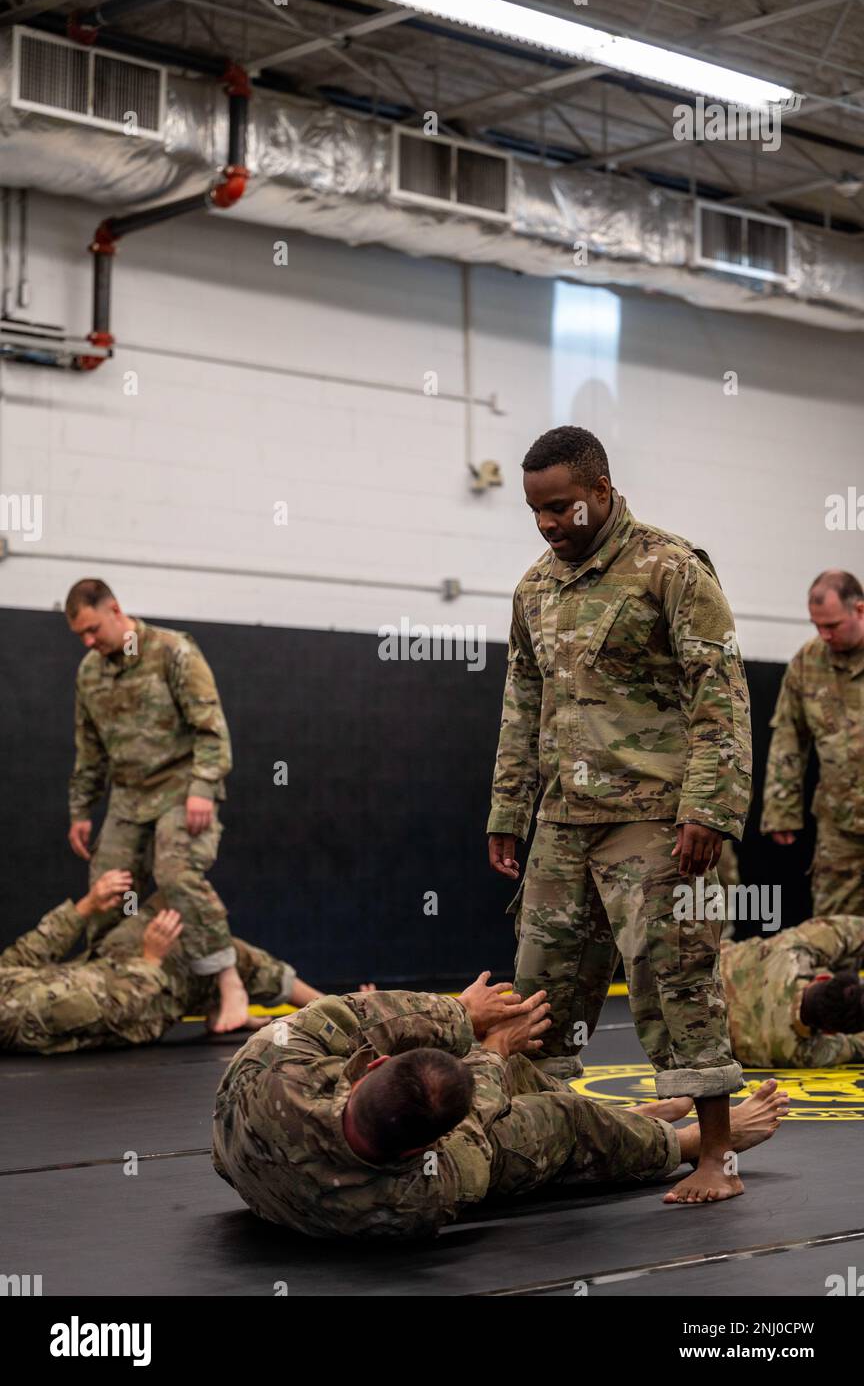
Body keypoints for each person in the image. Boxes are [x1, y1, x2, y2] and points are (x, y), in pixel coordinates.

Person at [487, 426, 752, 1203]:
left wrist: (708, 807)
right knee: (540, 988)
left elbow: (721, 696)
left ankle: (715, 1157)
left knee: (675, 977)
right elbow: (521, 703)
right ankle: (550, 1141)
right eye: (535, 511)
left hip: (655, 813)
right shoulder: (534, 588)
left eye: (561, 507)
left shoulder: (671, 568)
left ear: (601, 491)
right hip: (565, 819)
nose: (547, 524)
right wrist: (508, 806)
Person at [212, 976, 789, 1237]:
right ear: (423, 1152)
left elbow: (347, 1016)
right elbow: (475, 1133)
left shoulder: (268, 1068)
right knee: (551, 1125)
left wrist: (461, 1014)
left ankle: (626, 1123)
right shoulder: (421, 1197)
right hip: (336, 1194)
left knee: (480, 1072)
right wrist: (488, 1046)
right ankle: (683, 1143)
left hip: (254, 1162)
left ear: (367, 1068)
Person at [65, 578, 247, 1033]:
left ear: (115, 610)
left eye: (92, 629)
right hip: (129, 797)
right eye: (80, 636)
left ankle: (229, 982)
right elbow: (90, 751)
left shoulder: (172, 651)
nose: (89, 642)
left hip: (180, 788)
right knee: (108, 889)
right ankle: (114, 986)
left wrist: (203, 787)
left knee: (175, 872)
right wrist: (81, 811)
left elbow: (211, 727)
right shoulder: (90, 672)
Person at [0, 870, 314, 1054]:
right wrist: (151, 960)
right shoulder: (24, 1013)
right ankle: (330, 1006)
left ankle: (220, 996)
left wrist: (86, 906)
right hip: (144, 1000)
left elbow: (23, 955)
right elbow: (116, 1008)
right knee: (226, 951)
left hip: (110, 964)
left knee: (181, 890)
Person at [760, 570, 864, 916]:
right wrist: (781, 807)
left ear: (860, 611)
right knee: (833, 925)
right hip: (840, 824)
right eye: (816, 625)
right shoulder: (809, 660)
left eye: (832, 625)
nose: (824, 634)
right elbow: (789, 735)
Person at [721, 914, 864, 1067]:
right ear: (830, 1033)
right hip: (698, 1030)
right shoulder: (799, 1052)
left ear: (822, 978)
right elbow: (857, 1046)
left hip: (698, 968)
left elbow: (844, 930)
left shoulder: (792, 952)